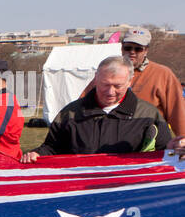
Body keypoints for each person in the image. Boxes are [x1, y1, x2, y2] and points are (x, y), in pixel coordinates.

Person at [23, 56, 172, 162]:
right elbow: (53, 148)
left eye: (117, 86)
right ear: (96, 78)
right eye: (105, 84)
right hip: (81, 189)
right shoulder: (70, 113)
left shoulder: (148, 115)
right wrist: (37, 154)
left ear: (129, 82)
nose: (110, 92)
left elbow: (164, 154)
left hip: (127, 192)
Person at [80, 28, 185, 137]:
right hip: (106, 138)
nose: (132, 52)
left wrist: (182, 141)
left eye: (138, 49)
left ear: (146, 50)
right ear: (121, 47)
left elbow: (178, 113)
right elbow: (82, 104)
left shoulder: (163, 74)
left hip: (146, 143)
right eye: (128, 48)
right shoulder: (107, 70)